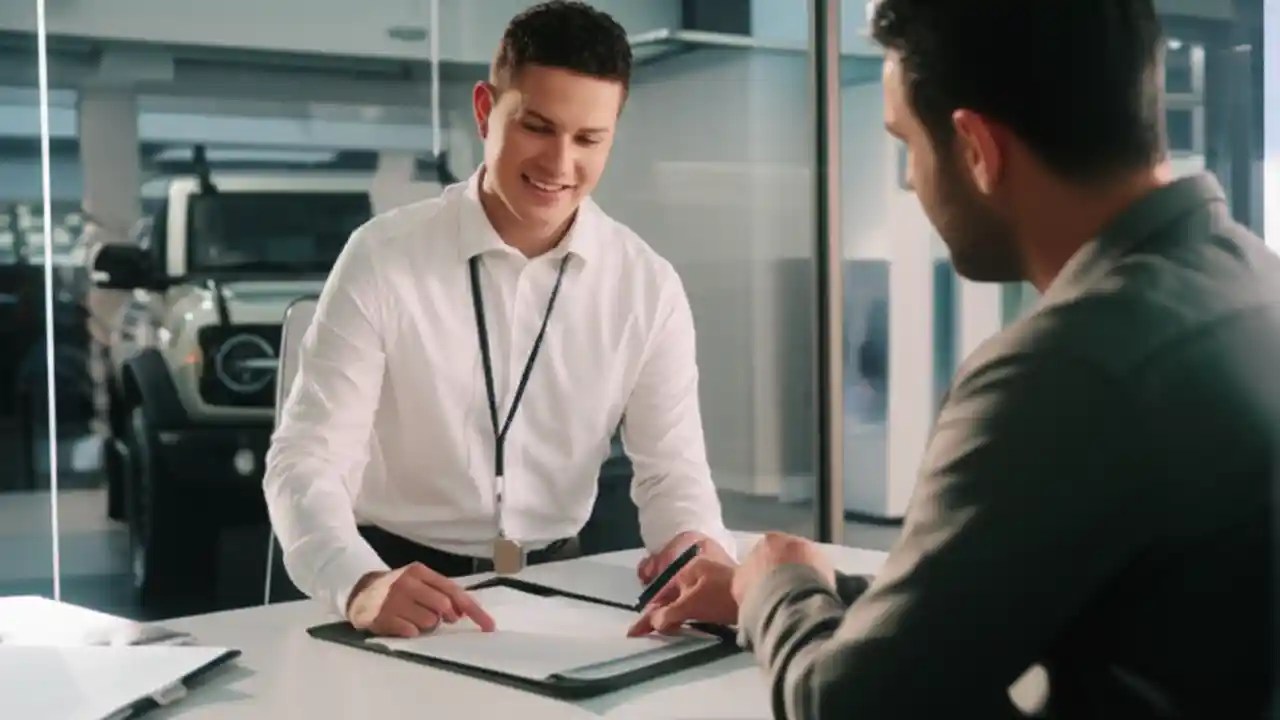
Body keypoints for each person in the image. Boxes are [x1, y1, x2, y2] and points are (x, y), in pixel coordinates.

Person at [628, 1, 1277, 717]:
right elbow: (1045, 575)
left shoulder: (1062, 371)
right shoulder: (1251, 282)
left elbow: (848, 706)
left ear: (976, 148)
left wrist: (778, 589)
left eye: (906, 142)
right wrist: (799, 589)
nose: (908, 180)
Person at [264, 0, 735, 639]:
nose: (560, 165)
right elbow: (308, 459)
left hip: (564, 589)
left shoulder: (647, 285)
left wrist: (695, 547)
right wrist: (357, 581)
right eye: (538, 127)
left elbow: (673, 470)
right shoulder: (383, 256)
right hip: (398, 579)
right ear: (486, 110)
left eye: (589, 139)